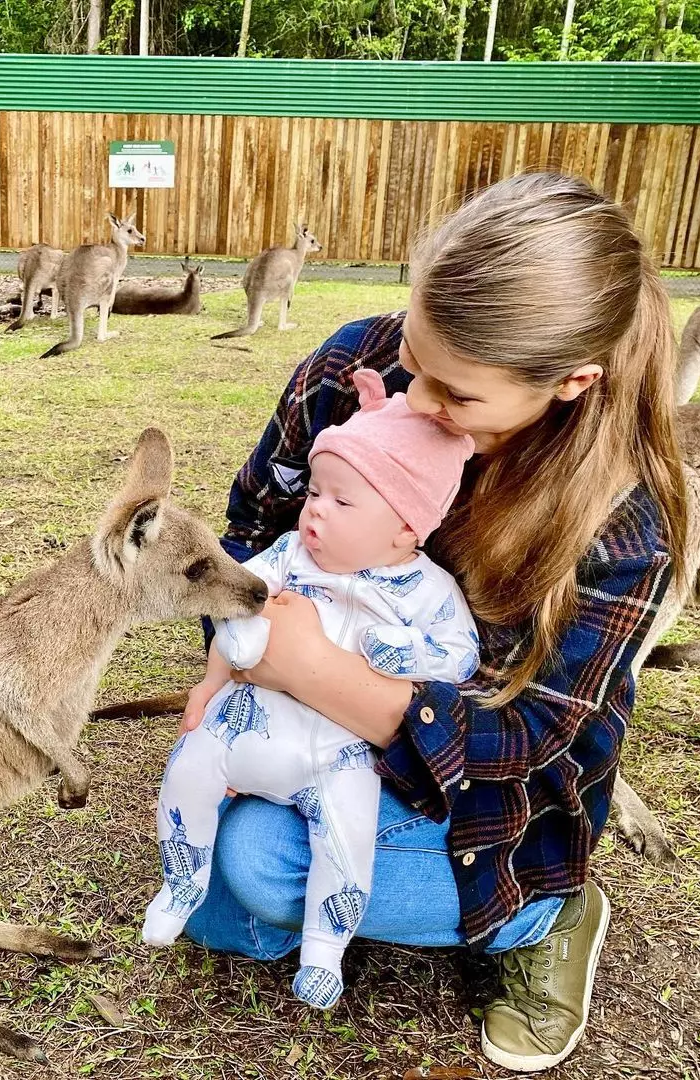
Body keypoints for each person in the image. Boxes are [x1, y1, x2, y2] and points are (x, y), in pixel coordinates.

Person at [179, 172, 687, 1073]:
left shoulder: (621, 521)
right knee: (217, 848)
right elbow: (253, 527)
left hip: (482, 785)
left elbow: (531, 736)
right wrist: (233, 668)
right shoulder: (351, 368)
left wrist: (306, 672)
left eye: (457, 396)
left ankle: (545, 914)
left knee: (255, 864)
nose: (415, 402)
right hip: (315, 721)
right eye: (416, 360)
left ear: (572, 382)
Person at [142, 368, 479, 1012]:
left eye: (343, 501)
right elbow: (236, 603)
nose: (316, 509)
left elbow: (459, 656)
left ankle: (326, 948)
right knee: (190, 769)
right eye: (315, 492)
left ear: (407, 529)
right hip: (253, 723)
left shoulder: (426, 590)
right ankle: (180, 883)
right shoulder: (289, 554)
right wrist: (212, 685)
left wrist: (405, 651)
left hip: (342, 752)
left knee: (344, 839)